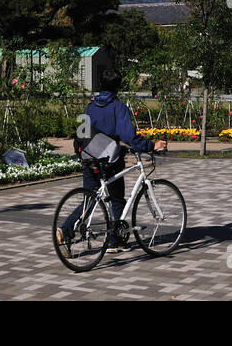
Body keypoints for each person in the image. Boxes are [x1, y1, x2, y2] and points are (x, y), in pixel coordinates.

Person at [59, 71, 167, 253]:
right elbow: (129, 137)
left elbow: (82, 133)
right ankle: (115, 241)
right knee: (116, 199)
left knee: (90, 198)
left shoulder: (90, 107)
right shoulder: (118, 108)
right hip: (109, 160)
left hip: (89, 158)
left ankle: (66, 229)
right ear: (118, 86)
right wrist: (151, 145)